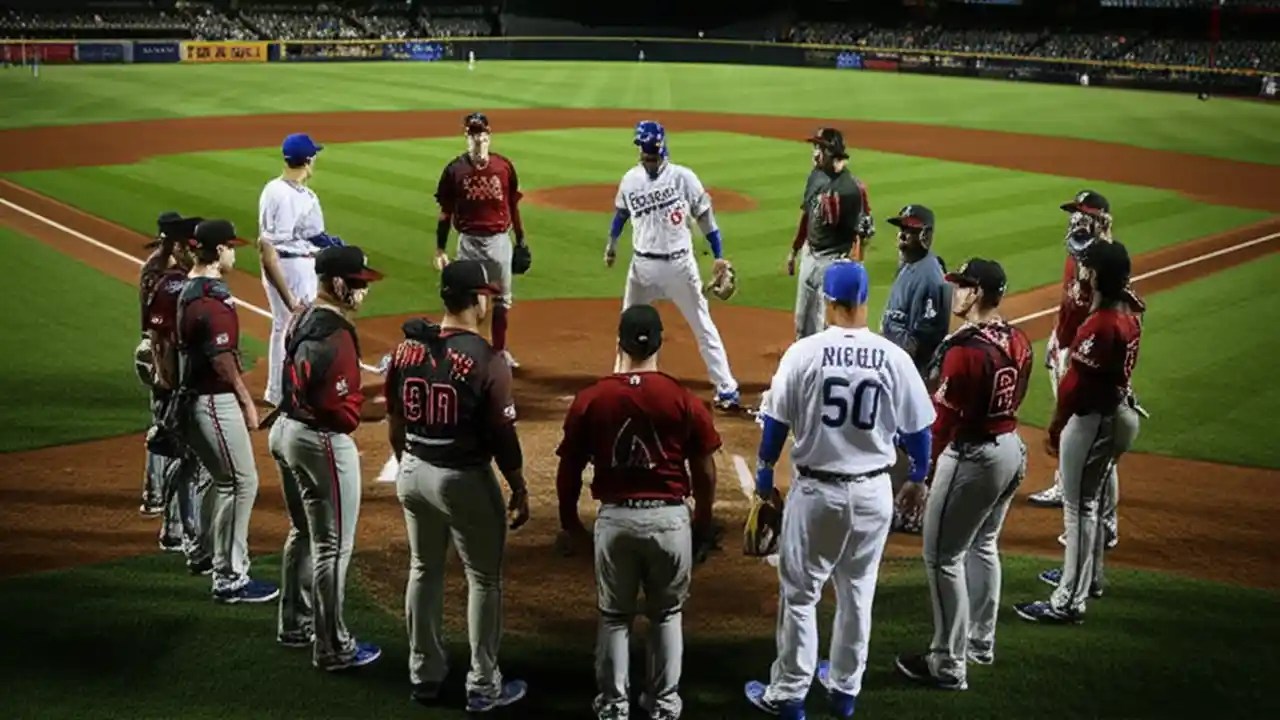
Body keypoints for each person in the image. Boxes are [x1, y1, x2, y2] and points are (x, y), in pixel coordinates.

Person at [745, 260, 935, 720]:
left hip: (818, 495)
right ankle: (844, 691)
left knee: (801, 593)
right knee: (858, 591)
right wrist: (918, 476)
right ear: (865, 301)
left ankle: (789, 694)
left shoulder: (804, 352)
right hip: (873, 495)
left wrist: (765, 477)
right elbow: (919, 430)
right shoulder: (893, 357)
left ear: (828, 302)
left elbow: (775, 423)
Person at [554, 304, 722, 720]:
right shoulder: (682, 398)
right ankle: (664, 705)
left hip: (616, 522)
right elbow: (705, 469)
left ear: (619, 342)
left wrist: (570, 522)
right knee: (666, 616)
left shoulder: (592, 399)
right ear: (660, 342)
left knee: (614, 618)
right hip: (669, 520)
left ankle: (614, 707)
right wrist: (702, 520)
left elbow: (569, 470)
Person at [386, 259, 530, 712]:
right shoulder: (487, 359)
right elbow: (502, 436)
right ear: (476, 300)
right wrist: (518, 485)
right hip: (462, 479)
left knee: (424, 569)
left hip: (412, 472)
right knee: (483, 578)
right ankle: (483, 685)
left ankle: (423, 673)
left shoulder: (406, 350)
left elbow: (394, 419)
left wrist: (405, 460)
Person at [891, 259, 1033, 690]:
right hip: (1011, 448)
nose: (954, 292)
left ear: (975, 294)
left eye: (960, 286)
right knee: (984, 545)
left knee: (941, 558)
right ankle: (979, 643)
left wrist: (919, 475)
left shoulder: (965, 350)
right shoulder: (1019, 338)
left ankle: (947, 663)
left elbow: (942, 424)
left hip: (974, 457)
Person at [1014, 241, 1145, 625]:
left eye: (1088, 268)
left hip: (1094, 420)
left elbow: (1074, 387)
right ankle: (1090, 579)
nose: (1082, 273)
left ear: (1099, 275)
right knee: (1093, 501)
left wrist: (1055, 426)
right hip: (1119, 414)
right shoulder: (1129, 315)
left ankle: (1069, 599)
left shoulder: (1102, 324)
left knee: (1079, 507)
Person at [268, 245, 384, 671]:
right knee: (333, 547)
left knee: (302, 532)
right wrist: (374, 406)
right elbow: (340, 413)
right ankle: (333, 646)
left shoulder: (300, 314)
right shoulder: (335, 334)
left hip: (284, 431)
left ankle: (294, 624)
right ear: (338, 284)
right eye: (358, 285)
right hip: (318, 440)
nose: (363, 293)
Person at [175, 219, 279, 603]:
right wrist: (247, 402)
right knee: (240, 482)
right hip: (213, 401)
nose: (235, 253)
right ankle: (230, 576)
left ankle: (202, 552)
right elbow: (221, 359)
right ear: (218, 251)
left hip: (191, 398)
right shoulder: (212, 300)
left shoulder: (187, 287)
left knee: (221, 479)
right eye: (231, 247)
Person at [607, 119, 741, 409]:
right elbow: (620, 215)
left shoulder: (683, 178)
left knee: (703, 325)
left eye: (647, 148)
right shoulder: (630, 179)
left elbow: (706, 218)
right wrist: (612, 245)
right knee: (627, 324)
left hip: (680, 267)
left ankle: (727, 387)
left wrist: (718, 253)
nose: (644, 154)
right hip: (641, 266)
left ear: (659, 146)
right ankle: (620, 382)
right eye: (642, 148)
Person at [1027, 191, 1121, 549]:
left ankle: (1107, 521)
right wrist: (1057, 339)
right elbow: (1070, 303)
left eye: (1084, 214)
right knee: (1072, 431)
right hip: (1066, 345)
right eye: (1074, 213)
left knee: (1094, 441)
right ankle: (1064, 485)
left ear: (1102, 221)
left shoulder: (1108, 264)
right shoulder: (1075, 253)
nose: (1076, 220)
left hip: (1088, 354)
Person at [433, 111, 528, 368]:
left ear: (489, 135)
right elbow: (445, 212)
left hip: (499, 240)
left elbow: (512, 205)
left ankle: (499, 351)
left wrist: (521, 240)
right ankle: (468, 349)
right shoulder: (455, 170)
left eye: (482, 133)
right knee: (470, 301)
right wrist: (440, 248)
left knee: (502, 300)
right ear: (466, 136)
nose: (478, 138)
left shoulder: (504, 167)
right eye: (473, 133)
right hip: (469, 242)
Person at [257, 132, 344, 408]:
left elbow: (314, 233)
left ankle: (280, 390)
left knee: (284, 325)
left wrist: (334, 244)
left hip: (291, 262)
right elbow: (275, 242)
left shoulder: (275, 188)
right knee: (292, 325)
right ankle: (283, 391)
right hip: (289, 265)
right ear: (308, 160)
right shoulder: (286, 196)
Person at [879, 204, 951, 534]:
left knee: (910, 438)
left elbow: (925, 337)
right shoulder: (908, 265)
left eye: (909, 231)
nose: (901, 236)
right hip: (898, 368)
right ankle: (901, 503)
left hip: (913, 372)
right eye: (901, 229)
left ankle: (912, 511)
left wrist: (897, 370)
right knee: (897, 437)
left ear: (925, 235)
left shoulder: (931, 277)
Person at [136, 211, 201, 521]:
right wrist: (166, 373)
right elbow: (159, 328)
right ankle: (157, 498)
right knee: (167, 426)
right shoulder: (162, 271)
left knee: (163, 422)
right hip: (160, 351)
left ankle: (153, 494)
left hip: (156, 348)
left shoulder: (158, 264)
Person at [786, 127, 875, 340]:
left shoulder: (851, 189)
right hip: (810, 255)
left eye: (819, 148)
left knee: (825, 327)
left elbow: (863, 232)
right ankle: (804, 367)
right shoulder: (815, 176)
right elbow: (807, 214)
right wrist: (795, 250)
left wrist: (853, 267)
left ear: (830, 152)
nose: (814, 153)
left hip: (833, 262)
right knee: (802, 322)